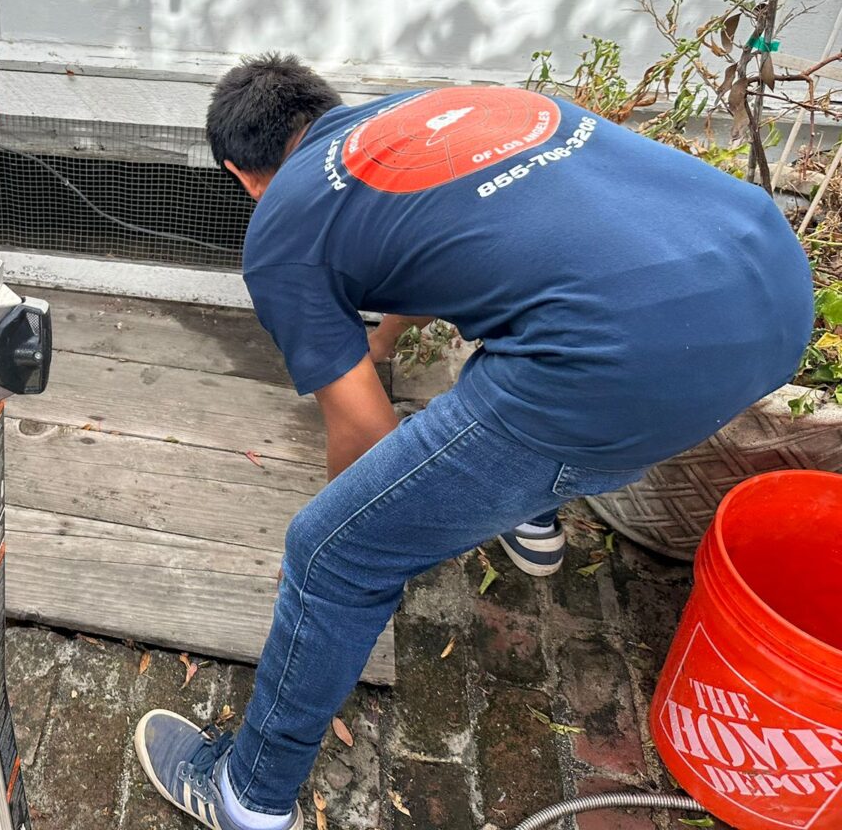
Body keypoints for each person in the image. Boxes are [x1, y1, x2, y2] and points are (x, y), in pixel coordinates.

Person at [133, 53, 812, 830]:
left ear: (241, 172)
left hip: (617, 359)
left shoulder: (281, 222)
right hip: (770, 284)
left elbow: (362, 430)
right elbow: (447, 260)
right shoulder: (421, 115)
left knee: (332, 551)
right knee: (505, 356)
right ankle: (527, 507)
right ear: (322, 110)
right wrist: (379, 350)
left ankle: (246, 797)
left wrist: (371, 516)